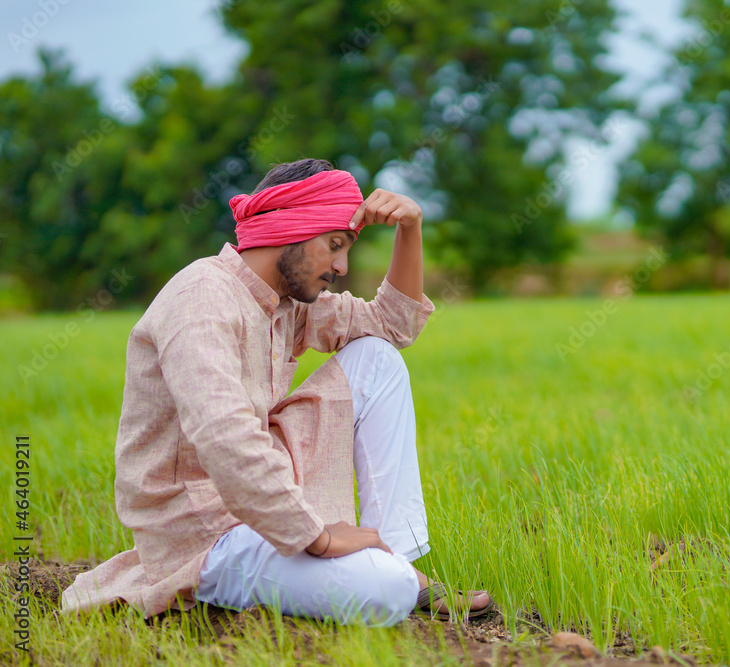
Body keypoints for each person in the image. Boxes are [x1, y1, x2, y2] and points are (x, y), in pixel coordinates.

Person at [61, 158, 493, 626]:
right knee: (384, 593)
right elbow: (224, 436)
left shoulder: (286, 303)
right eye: (335, 245)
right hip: (206, 532)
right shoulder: (202, 298)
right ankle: (392, 578)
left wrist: (411, 227)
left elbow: (393, 327)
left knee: (378, 360)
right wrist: (318, 538)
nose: (342, 266)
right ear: (292, 226)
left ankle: (400, 559)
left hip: (259, 500)